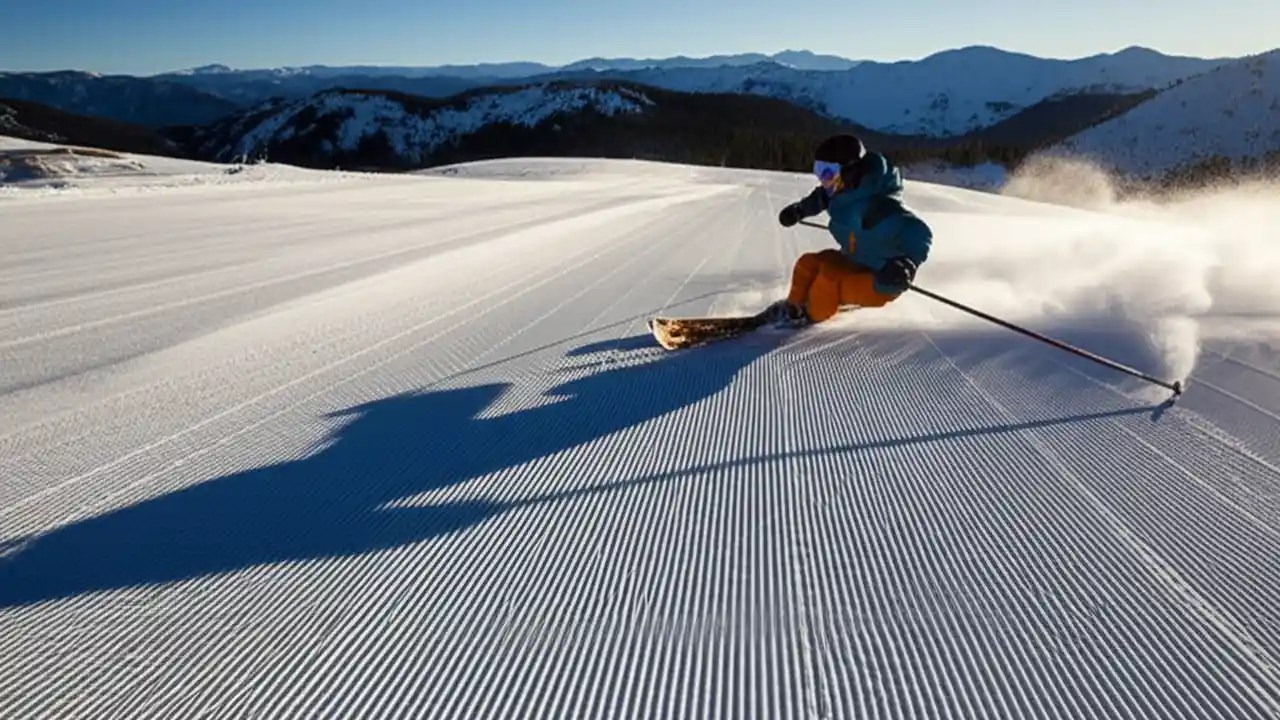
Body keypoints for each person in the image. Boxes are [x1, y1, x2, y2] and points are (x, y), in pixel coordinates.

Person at [769, 134, 933, 325]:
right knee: (808, 263)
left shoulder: (879, 206)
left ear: (850, 172)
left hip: (881, 278)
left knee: (828, 283)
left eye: (827, 173)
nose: (823, 180)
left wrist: (906, 264)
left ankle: (810, 316)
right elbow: (821, 197)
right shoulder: (841, 191)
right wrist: (799, 210)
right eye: (820, 172)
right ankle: (794, 306)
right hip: (855, 258)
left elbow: (920, 233)